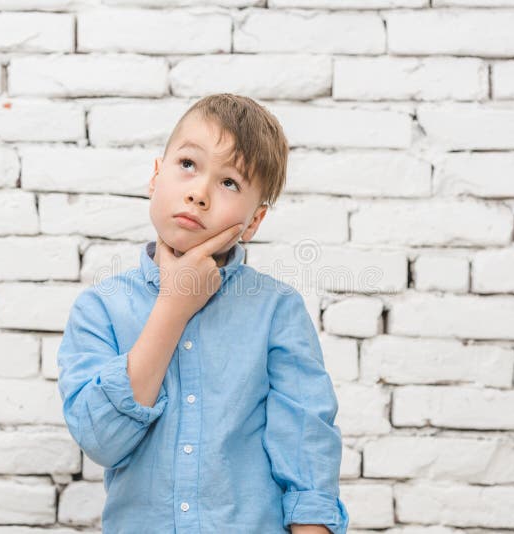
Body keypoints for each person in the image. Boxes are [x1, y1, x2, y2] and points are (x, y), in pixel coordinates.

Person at [57, 93, 349, 534]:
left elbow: (306, 453)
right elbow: (102, 441)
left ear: (253, 223)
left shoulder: (277, 311)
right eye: (188, 165)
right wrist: (174, 306)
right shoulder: (100, 309)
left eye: (230, 183)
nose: (199, 193)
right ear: (157, 176)